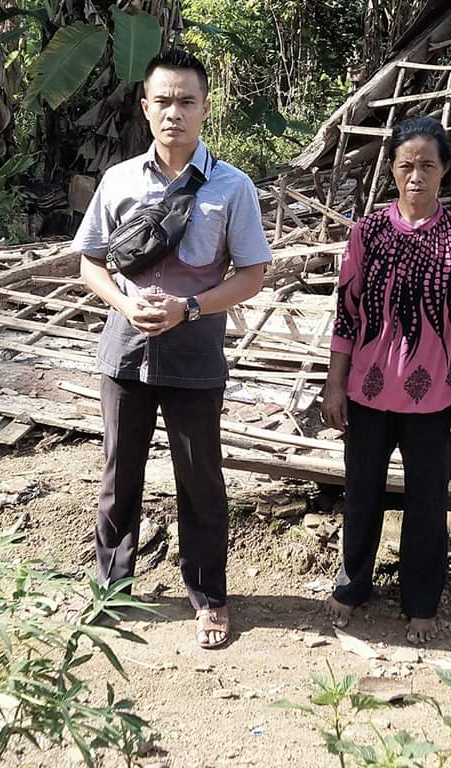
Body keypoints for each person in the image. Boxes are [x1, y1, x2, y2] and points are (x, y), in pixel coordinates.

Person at [72, 48, 271, 649]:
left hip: (195, 353)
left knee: (200, 479)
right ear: (145, 108)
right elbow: (90, 262)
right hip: (125, 352)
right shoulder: (118, 181)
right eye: (163, 101)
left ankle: (209, 597)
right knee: (118, 474)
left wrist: (189, 307)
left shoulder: (231, 187)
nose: (174, 113)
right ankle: (112, 588)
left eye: (187, 101)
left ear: (206, 108)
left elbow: (252, 273)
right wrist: (125, 304)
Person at [321, 115, 451, 644]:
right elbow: (346, 314)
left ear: (446, 172)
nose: (416, 174)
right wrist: (333, 382)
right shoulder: (366, 233)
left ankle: (421, 602)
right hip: (367, 391)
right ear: (392, 169)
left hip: (435, 395)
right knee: (362, 493)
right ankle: (352, 587)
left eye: (428, 165)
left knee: (428, 502)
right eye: (406, 164)